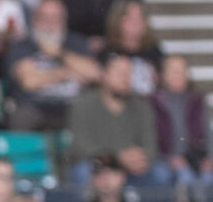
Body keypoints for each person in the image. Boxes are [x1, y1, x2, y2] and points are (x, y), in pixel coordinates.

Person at [4, 0, 98, 131]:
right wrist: (69, 73)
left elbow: (95, 73)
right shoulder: (22, 46)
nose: (49, 24)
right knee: (22, 118)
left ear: (64, 21)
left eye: (55, 19)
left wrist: (59, 54)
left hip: (72, 107)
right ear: (34, 20)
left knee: (94, 115)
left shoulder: (77, 43)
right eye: (44, 18)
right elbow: (29, 82)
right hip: (34, 107)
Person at [65, 53, 161, 183]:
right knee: (82, 170)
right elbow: (80, 146)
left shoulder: (141, 105)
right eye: (119, 72)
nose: (125, 78)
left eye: (128, 73)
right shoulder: (83, 104)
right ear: (104, 74)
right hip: (97, 164)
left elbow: (150, 145)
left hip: (134, 166)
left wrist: (137, 158)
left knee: (160, 172)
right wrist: (116, 157)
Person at [152, 53, 208, 175]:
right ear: (162, 75)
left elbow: (207, 133)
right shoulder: (152, 103)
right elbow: (149, 139)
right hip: (164, 161)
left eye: (182, 70)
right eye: (173, 70)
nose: (178, 74)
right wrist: (167, 159)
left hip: (196, 158)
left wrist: (209, 158)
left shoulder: (197, 101)